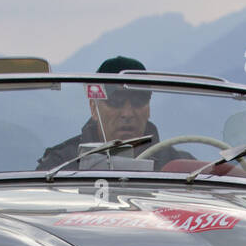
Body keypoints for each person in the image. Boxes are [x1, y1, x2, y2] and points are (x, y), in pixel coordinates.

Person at [37, 56, 194, 171]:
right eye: (116, 102)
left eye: (138, 101)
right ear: (94, 108)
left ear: (148, 107)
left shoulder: (180, 167)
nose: (127, 113)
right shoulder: (60, 165)